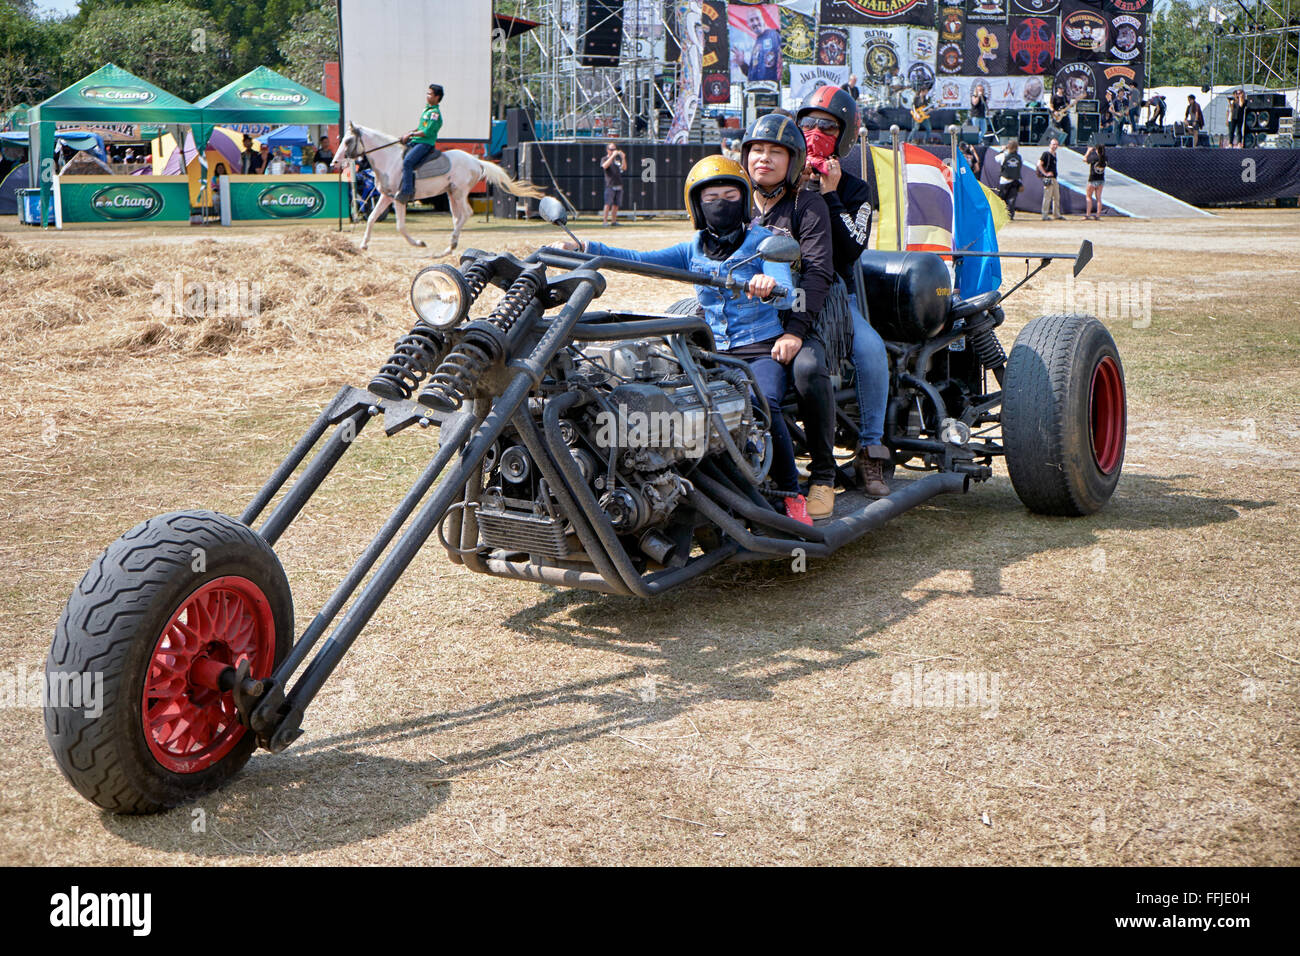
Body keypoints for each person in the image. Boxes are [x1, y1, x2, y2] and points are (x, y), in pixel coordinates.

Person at [550, 156, 811, 525]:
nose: (721, 203)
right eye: (711, 197)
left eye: (729, 195)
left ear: (745, 199)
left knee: (764, 405)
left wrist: (769, 286)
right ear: (697, 207)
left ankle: (791, 492)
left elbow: (785, 290)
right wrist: (585, 248)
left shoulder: (763, 242)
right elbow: (639, 259)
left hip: (757, 350)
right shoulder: (693, 249)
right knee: (672, 402)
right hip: (709, 352)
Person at [741, 113, 841, 520]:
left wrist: (797, 331)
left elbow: (818, 272)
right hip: (745, 320)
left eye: (775, 152)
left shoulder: (806, 203)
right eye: (757, 150)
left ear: (794, 160)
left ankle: (822, 475)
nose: (763, 158)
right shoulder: (735, 200)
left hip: (800, 319)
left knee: (806, 369)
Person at [796, 87, 892, 498]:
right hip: (783, 293)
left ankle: (871, 449)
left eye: (828, 126)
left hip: (836, 297)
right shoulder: (783, 178)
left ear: (845, 136)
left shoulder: (855, 190)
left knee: (870, 352)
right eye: (809, 124)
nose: (816, 131)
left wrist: (830, 194)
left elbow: (853, 248)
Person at [396, 82, 443, 202]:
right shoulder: (427, 110)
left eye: (430, 94)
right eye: (427, 93)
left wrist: (411, 135)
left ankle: (407, 192)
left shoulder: (435, 114)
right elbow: (420, 128)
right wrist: (409, 133)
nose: (427, 96)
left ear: (437, 97)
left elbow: (426, 132)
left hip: (425, 144)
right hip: (416, 141)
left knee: (408, 162)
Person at [732, 7, 781, 83]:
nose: (755, 23)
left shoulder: (775, 34)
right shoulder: (757, 43)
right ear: (748, 24)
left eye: (757, 18)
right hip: (756, 89)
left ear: (763, 19)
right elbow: (751, 75)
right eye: (751, 20)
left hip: (772, 90)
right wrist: (742, 63)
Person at [994, 138, 1023, 220]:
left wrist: (1002, 150)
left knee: (1001, 199)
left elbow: (996, 158)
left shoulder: (1004, 155)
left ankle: (1000, 215)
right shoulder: (1019, 157)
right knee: (1012, 199)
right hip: (1015, 180)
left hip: (1004, 180)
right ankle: (1010, 215)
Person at [1037, 137, 1064, 220]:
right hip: (1048, 178)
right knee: (1047, 197)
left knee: (1056, 197)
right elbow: (1039, 164)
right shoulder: (1046, 154)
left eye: (1056, 144)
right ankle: (1044, 215)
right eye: (1053, 144)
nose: (1055, 146)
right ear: (1050, 145)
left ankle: (1056, 214)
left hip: (1054, 178)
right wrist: (1045, 173)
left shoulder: (1055, 154)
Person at [600, 141, 626, 226]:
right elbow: (604, 166)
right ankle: (605, 221)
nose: (613, 151)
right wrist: (612, 156)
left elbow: (624, 168)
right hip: (610, 185)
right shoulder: (604, 159)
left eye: (614, 149)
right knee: (608, 204)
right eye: (611, 149)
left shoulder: (617, 161)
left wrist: (623, 158)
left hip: (618, 184)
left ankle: (613, 221)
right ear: (607, 150)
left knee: (616, 205)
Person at [1083, 142, 1106, 220]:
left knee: (1089, 196)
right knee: (1099, 198)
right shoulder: (1105, 158)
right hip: (1101, 179)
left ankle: (1088, 214)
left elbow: (1085, 160)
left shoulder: (1094, 157)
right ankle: (1098, 215)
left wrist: (1088, 151)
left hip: (1093, 179)